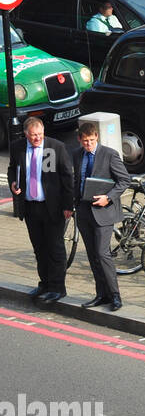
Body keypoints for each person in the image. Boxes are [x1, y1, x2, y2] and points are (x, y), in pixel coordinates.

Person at [7, 117, 74, 305]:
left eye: (40, 135)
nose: (37, 138)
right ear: (26, 134)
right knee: (39, 249)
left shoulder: (56, 147)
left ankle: (58, 288)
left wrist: (68, 205)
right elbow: (12, 168)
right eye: (33, 135)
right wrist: (13, 182)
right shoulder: (18, 146)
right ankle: (44, 284)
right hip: (30, 207)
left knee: (55, 249)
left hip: (52, 207)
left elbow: (68, 177)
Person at [72, 123, 130, 311]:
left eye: (91, 140)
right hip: (83, 211)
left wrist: (109, 198)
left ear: (96, 137)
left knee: (102, 253)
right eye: (85, 141)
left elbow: (124, 180)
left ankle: (115, 295)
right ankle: (101, 294)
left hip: (103, 213)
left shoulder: (109, 154)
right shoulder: (77, 155)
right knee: (92, 255)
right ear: (80, 139)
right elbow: (76, 181)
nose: (88, 144)